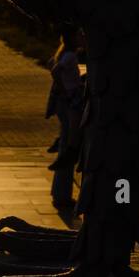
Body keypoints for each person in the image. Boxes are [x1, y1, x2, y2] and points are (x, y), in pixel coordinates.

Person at [47, 29, 85, 208]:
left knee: (66, 146)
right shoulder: (69, 55)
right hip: (70, 103)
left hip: (65, 102)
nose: (82, 38)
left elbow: (54, 67)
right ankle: (62, 196)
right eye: (79, 35)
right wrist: (65, 89)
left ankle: (59, 193)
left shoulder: (64, 53)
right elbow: (56, 71)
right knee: (69, 148)